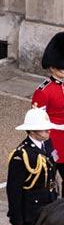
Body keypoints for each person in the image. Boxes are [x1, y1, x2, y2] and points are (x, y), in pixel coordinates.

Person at [6, 107, 60, 225]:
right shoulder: (22, 154)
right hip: (33, 211)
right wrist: (17, 218)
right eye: (43, 128)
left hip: (50, 203)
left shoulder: (47, 143)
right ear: (32, 131)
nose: (48, 130)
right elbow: (14, 189)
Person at [33, 32, 64, 180]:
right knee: (49, 180)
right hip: (53, 140)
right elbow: (37, 122)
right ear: (52, 68)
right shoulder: (43, 91)